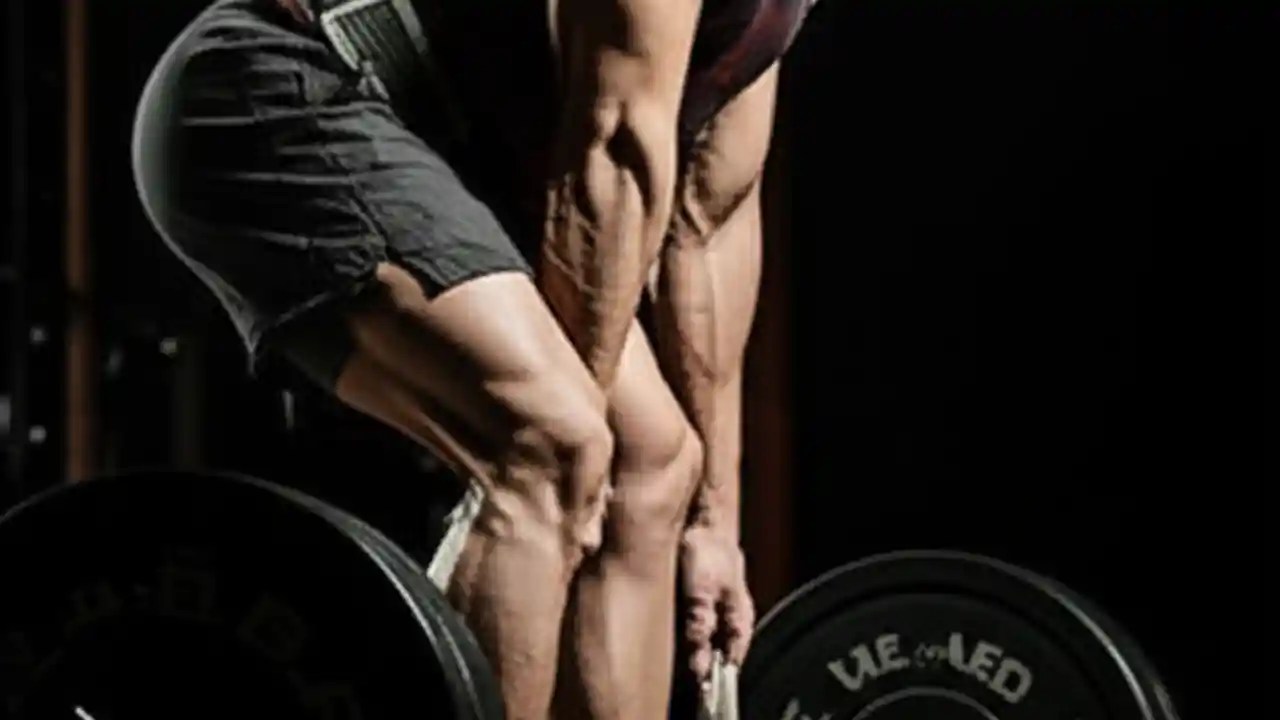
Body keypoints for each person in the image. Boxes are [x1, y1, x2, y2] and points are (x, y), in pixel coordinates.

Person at [131, 0, 815, 716]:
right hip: (282, 85)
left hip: (428, 143)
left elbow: (707, 225)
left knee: (654, 466)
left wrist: (715, 525)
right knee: (552, 448)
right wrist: (571, 451)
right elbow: (613, 149)